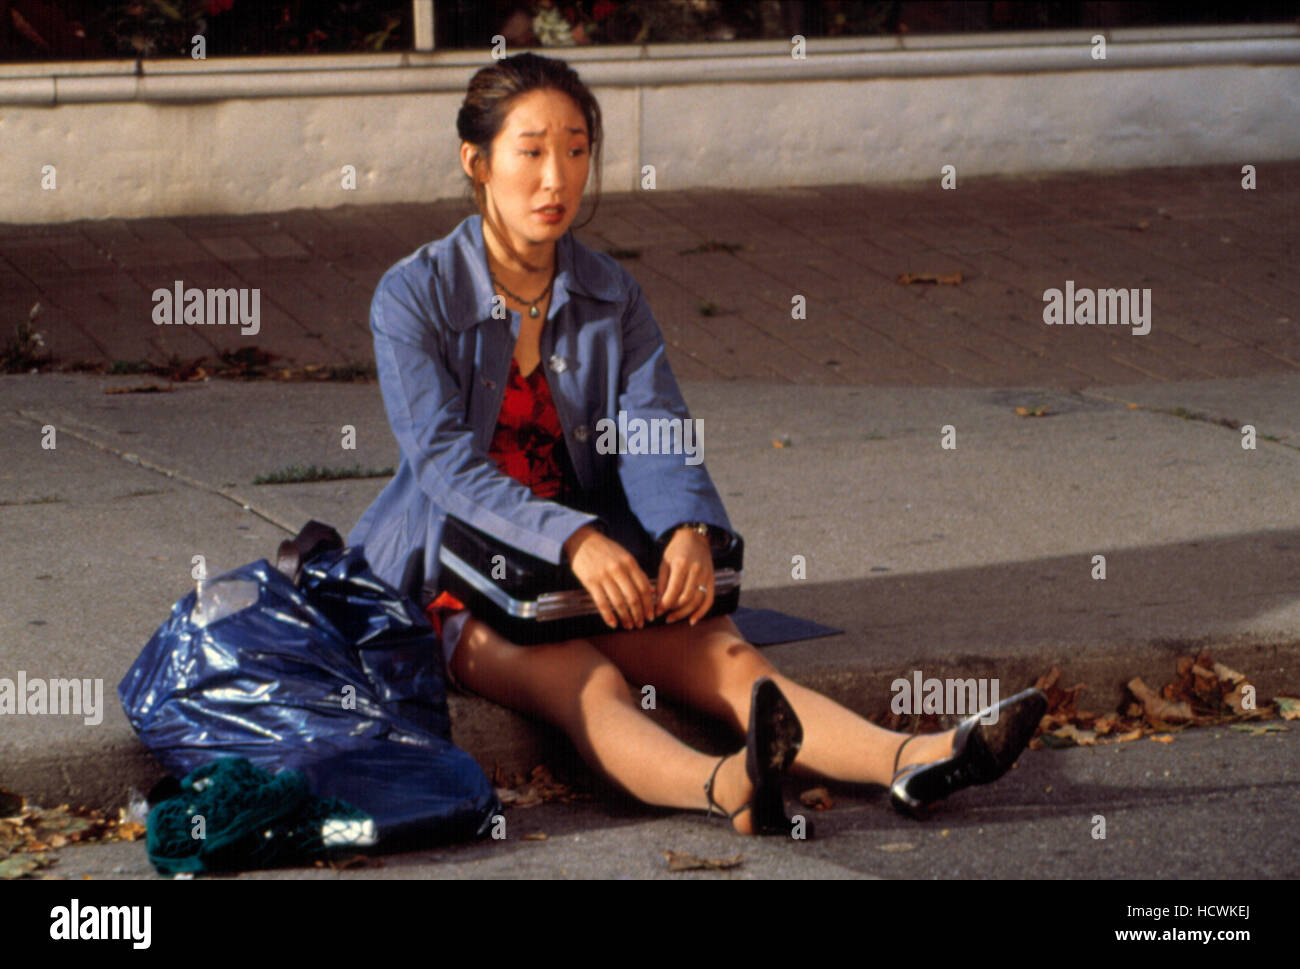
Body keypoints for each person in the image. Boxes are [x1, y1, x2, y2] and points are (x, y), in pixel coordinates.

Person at [347, 51, 1046, 836]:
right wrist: (570, 538)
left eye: (576, 149)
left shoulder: (611, 291)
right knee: (584, 679)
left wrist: (685, 529)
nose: (558, 178)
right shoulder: (414, 294)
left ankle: (918, 757)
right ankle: (726, 786)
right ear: (476, 162)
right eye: (532, 150)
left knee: (731, 657)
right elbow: (444, 463)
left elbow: (654, 425)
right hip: (465, 576)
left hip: (602, 566)